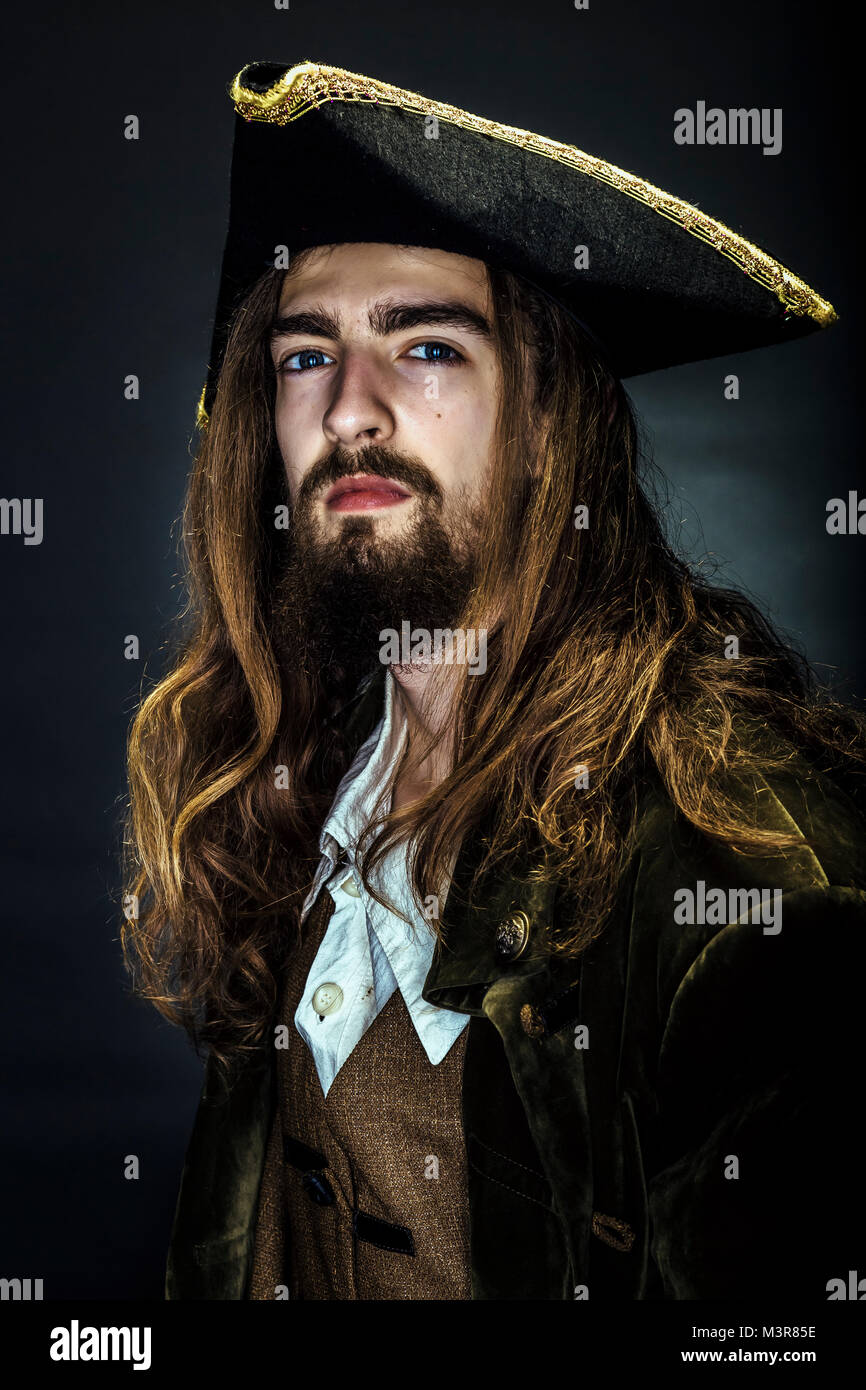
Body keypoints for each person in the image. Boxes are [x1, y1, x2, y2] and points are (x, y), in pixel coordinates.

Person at [123, 59, 866, 1301]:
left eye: (423, 345)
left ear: (544, 422)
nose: (351, 411)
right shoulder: (299, 765)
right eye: (305, 357)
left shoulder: (747, 891)